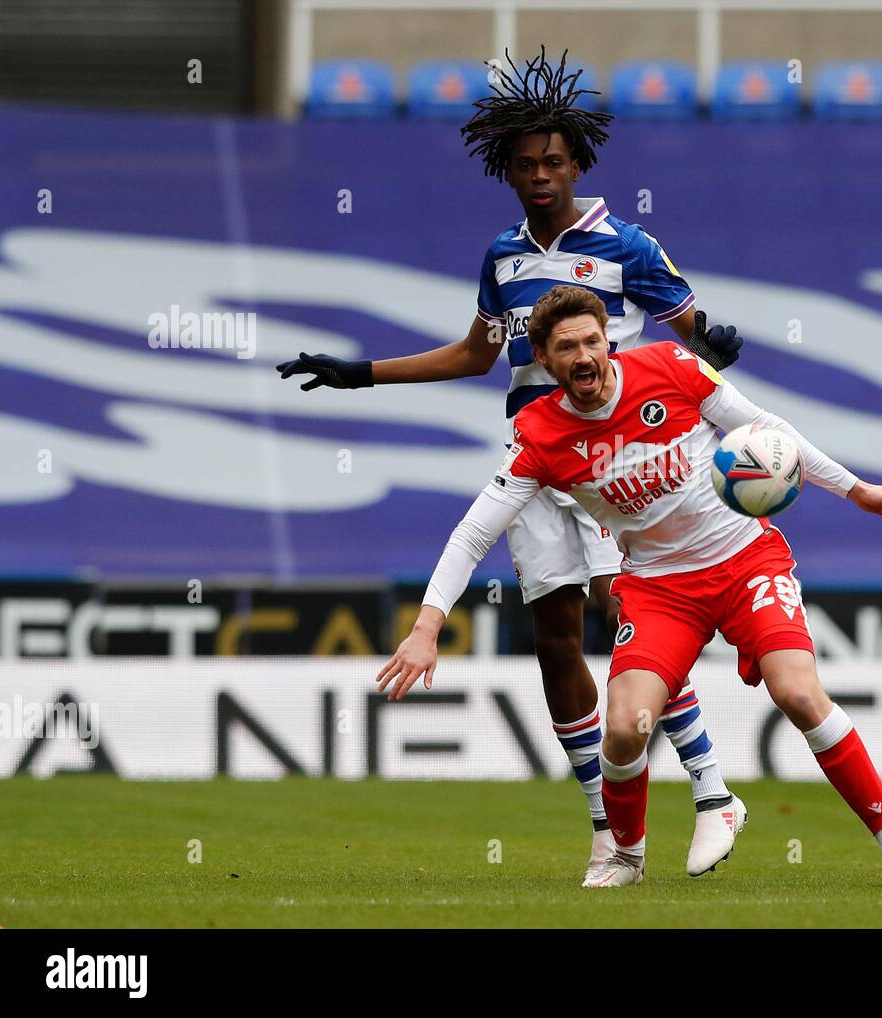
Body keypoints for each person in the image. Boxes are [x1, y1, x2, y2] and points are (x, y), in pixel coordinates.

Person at [277, 50, 745, 882]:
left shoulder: (627, 244)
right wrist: (365, 372)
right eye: (526, 164)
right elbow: (474, 353)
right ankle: (609, 830)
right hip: (536, 459)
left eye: (553, 161)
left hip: (613, 463)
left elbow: (690, 326)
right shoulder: (503, 256)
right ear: (510, 171)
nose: (540, 174)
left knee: (626, 617)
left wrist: (717, 341)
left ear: (577, 164)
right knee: (555, 641)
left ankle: (713, 792)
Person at [378, 285, 882, 890]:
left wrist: (855, 489)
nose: (584, 356)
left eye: (592, 341)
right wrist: (425, 628)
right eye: (566, 347)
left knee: (800, 695)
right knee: (626, 727)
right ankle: (627, 856)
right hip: (659, 590)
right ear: (544, 361)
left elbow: (765, 429)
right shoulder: (539, 434)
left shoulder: (670, 367)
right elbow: (473, 534)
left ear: (609, 342)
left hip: (745, 562)